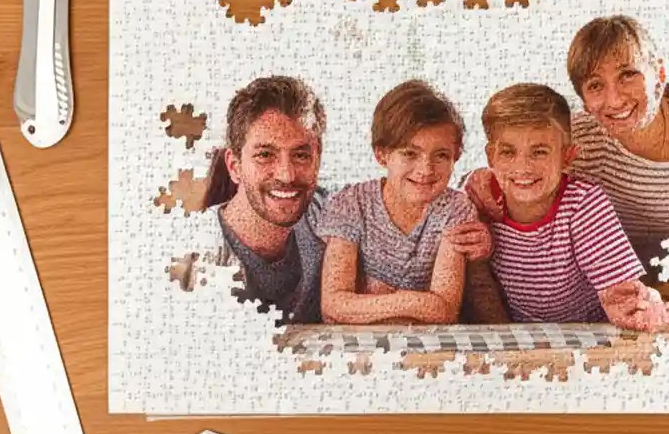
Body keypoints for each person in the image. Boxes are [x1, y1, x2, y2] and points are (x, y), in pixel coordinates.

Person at [468, 15, 669, 275]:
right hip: (609, 285)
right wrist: (480, 180)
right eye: (595, 85)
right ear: (584, 100)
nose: (614, 100)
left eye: (628, 75)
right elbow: (513, 158)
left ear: (660, 74)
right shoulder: (581, 138)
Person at [479, 83, 669, 330]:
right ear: (491, 157)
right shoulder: (480, 201)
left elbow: (619, 293)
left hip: (589, 334)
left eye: (539, 152)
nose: (523, 167)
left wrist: (630, 308)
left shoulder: (584, 205)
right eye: (508, 153)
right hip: (520, 339)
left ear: (567, 156)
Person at [316, 80, 487, 325]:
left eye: (441, 155)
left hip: (428, 349)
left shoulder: (455, 209)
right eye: (409, 153)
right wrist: (417, 302)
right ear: (382, 155)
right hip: (356, 348)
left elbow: (444, 311)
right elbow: (333, 305)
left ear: (456, 156)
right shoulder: (351, 203)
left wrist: (371, 301)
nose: (425, 169)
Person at [197, 75, 328, 324]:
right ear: (234, 166)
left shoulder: (332, 217)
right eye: (265, 155)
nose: (286, 175)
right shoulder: (191, 253)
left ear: (317, 159)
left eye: (301, 155)